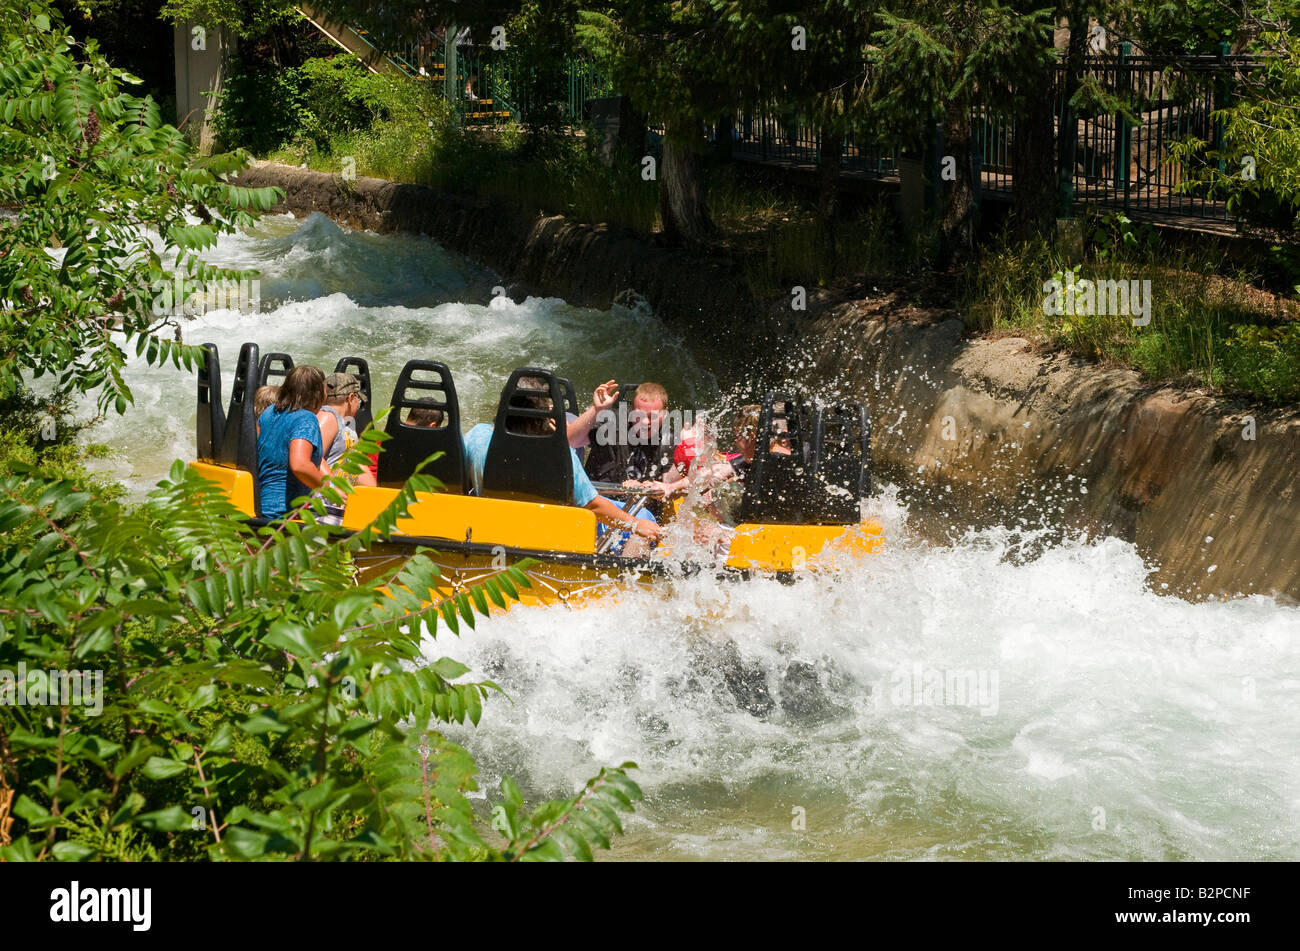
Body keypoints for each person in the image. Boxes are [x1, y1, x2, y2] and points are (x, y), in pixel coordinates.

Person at [462, 376, 663, 553]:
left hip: (492, 531)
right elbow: (592, 505)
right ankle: (621, 587)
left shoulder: (475, 436)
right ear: (541, 415)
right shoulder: (557, 454)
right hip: (548, 537)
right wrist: (636, 524)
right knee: (646, 518)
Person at [256, 365, 328, 519]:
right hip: (283, 514)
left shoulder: (268, 413)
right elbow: (300, 465)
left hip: (258, 506)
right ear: (317, 394)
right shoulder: (306, 418)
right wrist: (330, 490)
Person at [576, 381, 678, 485]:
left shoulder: (670, 442)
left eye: (652, 416)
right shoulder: (610, 423)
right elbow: (572, 441)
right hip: (597, 496)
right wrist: (595, 409)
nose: (645, 422)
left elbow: (669, 487)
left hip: (642, 499)